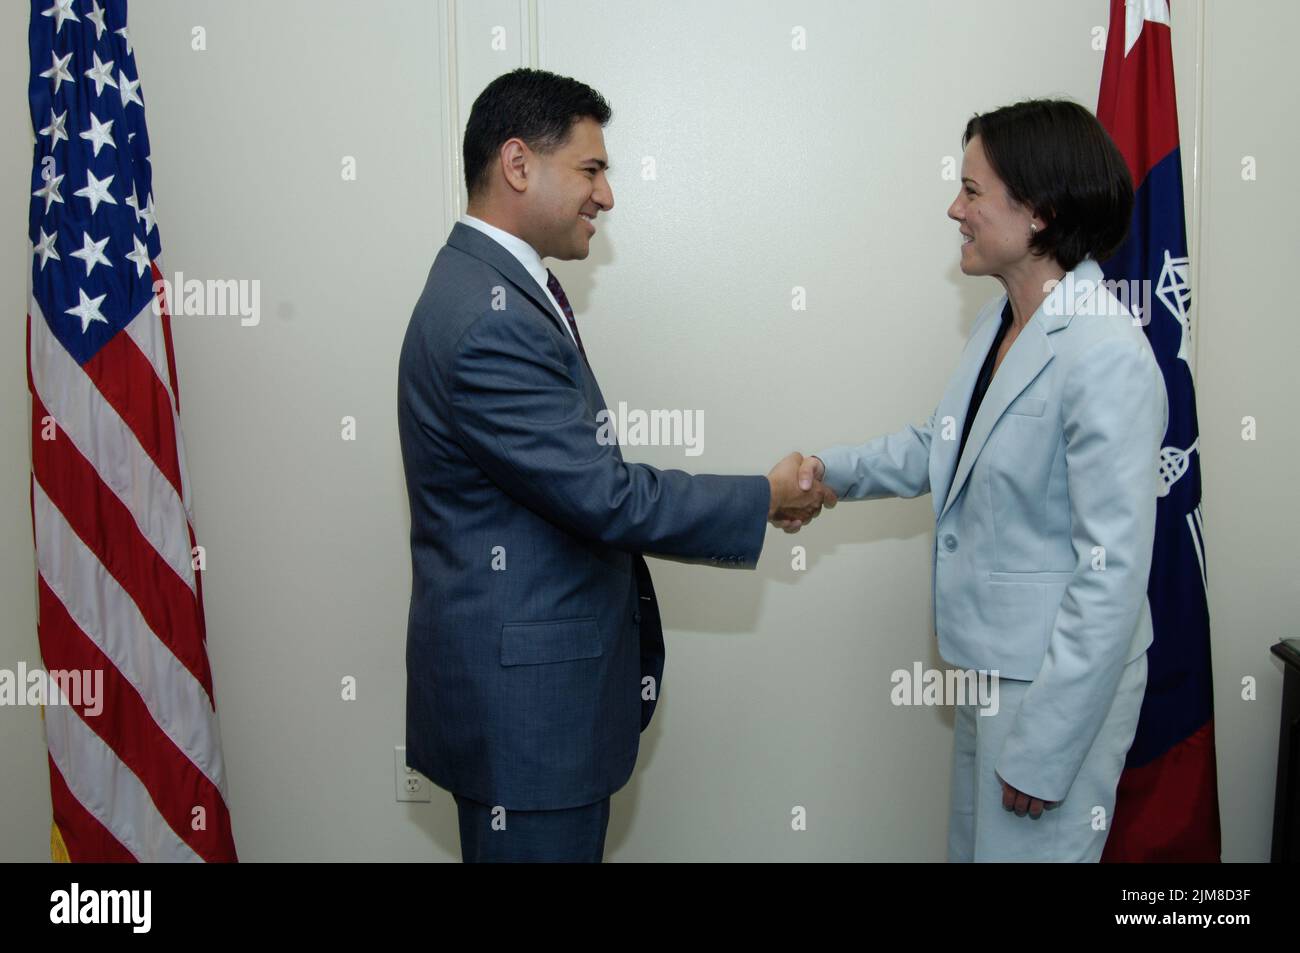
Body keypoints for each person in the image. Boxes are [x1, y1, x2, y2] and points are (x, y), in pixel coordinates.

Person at [396, 68, 834, 863]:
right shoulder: (487, 318)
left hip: (531, 712)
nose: (606, 196)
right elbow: (603, 494)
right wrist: (762, 496)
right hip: (527, 724)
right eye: (592, 170)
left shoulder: (497, 287)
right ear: (519, 164)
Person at [789, 99, 1167, 861]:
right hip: (990, 668)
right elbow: (940, 445)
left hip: (1053, 689)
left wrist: (1049, 742)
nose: (953, 208)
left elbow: (1113, 574)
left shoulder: (1104, 351)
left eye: (971, 190)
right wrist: (829, 471)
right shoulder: (998, 325)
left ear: (1040, 212)